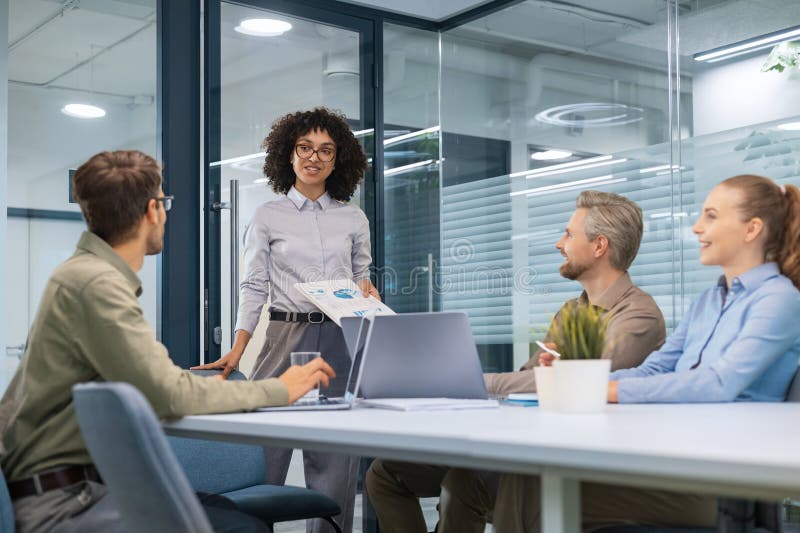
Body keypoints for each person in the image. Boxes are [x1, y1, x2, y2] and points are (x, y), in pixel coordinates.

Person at [0, 150, 334, 533]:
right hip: (62, 503)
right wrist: (279, 389)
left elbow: (155, 383)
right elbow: (169, 393)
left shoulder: (84, 277)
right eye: (165, 201)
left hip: (82, 487)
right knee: (240, 527)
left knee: (232, 513)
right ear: (152, 211)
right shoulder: (96, 285)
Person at [494, 175, 800, 533]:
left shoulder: (779, 299)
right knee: (530, 479)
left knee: (537, 491)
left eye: (712, 216)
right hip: (677, 459)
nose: (698, 227)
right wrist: (578, 380)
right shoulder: (708, 301)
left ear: (752, 229)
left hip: (718, 483)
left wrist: (602, 390)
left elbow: (718, 384)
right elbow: (653, 370)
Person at [366, 191, 667, 533]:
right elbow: (532, 380)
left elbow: (578, 384)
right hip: (532, 443)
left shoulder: (638, 316)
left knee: (465, 480)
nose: (558, 243)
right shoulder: (572, 311)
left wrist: (476, 383)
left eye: (569, 234)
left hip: (579, 462)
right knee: (385, 473)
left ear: (599, 246)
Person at [194, 107, 378, 533]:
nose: (314, 157)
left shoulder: (353, 218)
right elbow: (253, 287)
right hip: (283, 335)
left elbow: (361, 281)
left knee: (334, 469)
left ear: (338, 160)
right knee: (264, 457)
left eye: (326, 151)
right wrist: (237, 351)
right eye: (305, 148)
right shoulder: (267, 216)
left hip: (338, 339)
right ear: (289, 154)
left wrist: (368, 293)